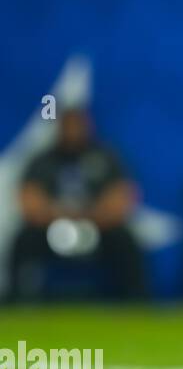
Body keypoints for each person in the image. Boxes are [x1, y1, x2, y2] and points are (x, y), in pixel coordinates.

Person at [8, 108, 147, 301]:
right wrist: (60, 214)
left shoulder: (106, 158)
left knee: (124, 240)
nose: (73, 131)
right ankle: (19, 297)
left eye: (77, 125)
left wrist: (90, 215)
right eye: (68, 125)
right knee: (25, 239)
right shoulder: (43, 161)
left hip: (98, 226)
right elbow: (30, 202)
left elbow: (121, 198)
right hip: (51, 228)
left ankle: (135, 300)